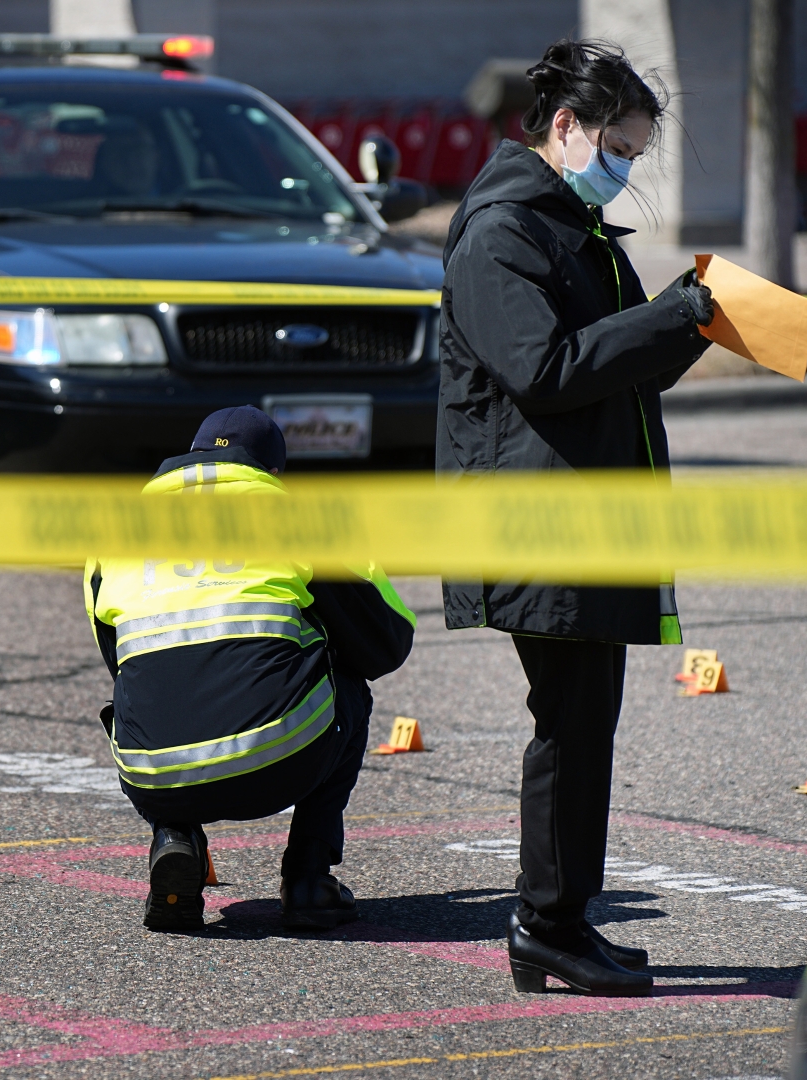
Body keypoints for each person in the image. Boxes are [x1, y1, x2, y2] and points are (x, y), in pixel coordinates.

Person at [436, 39, 716, 997]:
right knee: (569, 723)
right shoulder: (504, 230)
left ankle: (557, 922)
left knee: (584, 722)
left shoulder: (571, 226)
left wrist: (696, 323)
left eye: (636, 154)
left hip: (579, 514)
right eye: (619, 149)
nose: (625, 170)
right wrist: (671, 318)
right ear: (565, 128)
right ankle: (547, 924)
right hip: (534, 520)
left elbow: (613, 362)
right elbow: (544, 369)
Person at [85, 406, 417, 932]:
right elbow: (386, 644)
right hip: (277, 760)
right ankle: (308, 877)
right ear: (272, 474)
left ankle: (175, 840)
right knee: (348, 682)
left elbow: (121, 665)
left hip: (154, 775)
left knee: (155, 687)